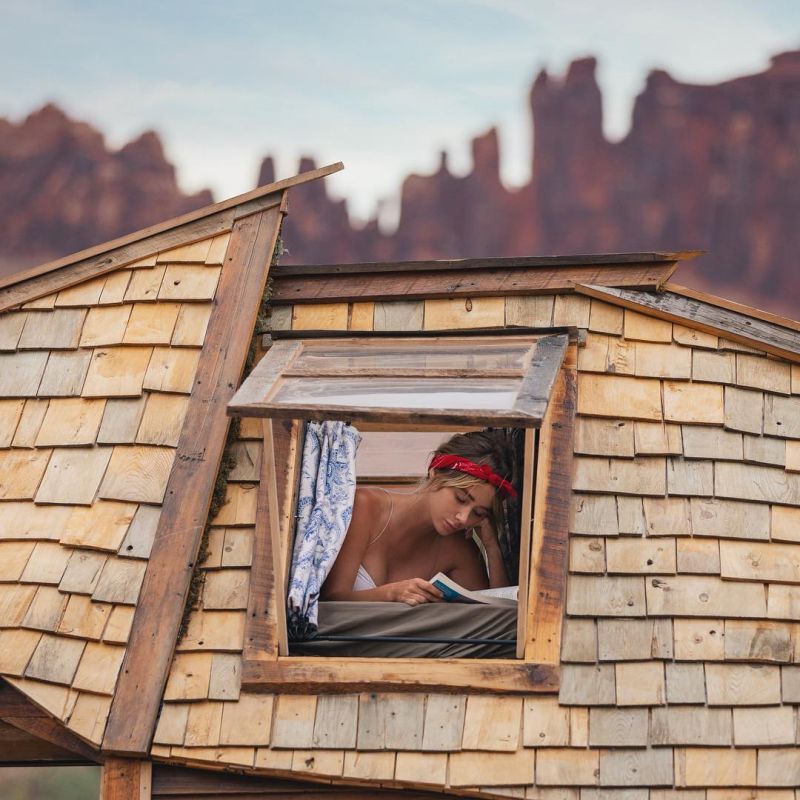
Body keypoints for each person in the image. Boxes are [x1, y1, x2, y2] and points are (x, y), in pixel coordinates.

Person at [321, 430, 516, 605]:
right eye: (461, 498)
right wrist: (391, 594)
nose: (463, 518)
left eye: (478, 513)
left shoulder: (460, 551)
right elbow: (330, 600)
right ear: (435, 473)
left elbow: (493, 621)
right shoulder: (365, 507)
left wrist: (492, 548)